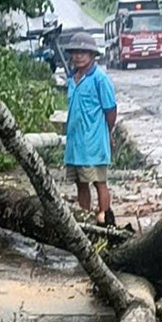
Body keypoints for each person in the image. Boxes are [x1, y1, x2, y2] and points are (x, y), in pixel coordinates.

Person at [63, 32, 117, 226]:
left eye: (83, 52)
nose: (79, 56)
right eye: (75, 52)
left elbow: (110, 110)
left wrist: (107, 132)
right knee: (80, 182)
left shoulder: (99, 79)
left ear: (93, 55)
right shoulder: (72, 78)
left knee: (99, 181)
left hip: (93, 142)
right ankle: (85, 219)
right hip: (75, 143)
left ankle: (105, 219)